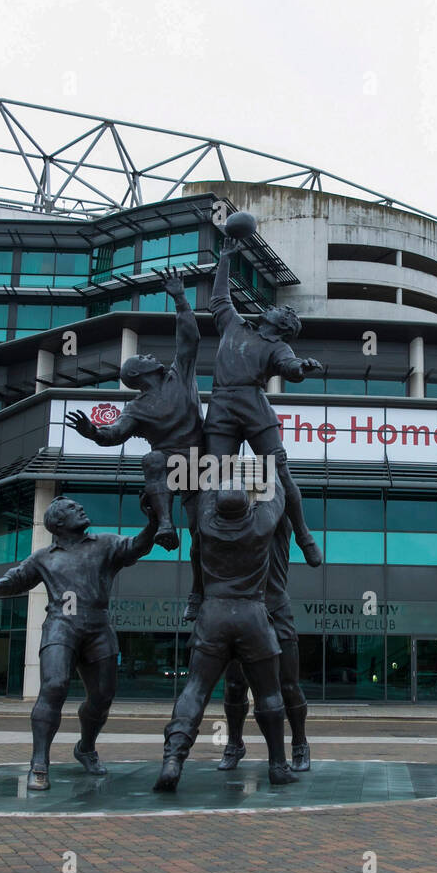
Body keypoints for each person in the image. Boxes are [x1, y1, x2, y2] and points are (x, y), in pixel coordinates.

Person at [0, 494, 156, 791]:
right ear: (57, 522)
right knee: (54, 685)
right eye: (72, 507)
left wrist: (154, 520)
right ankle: (39, 764)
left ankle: (85, 747)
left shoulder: (105, 544)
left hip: (98, 627)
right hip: (61, 626)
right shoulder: (43, 557)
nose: (80, 508)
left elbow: (138, 546)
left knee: (103, 696)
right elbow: (17, 578)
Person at [65, 266, 204, 607]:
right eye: (143, 357)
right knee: (153, 458)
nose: (150, 355)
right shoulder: (136, 408)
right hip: (175, 471)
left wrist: (180, 298)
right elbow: (113, 435)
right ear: (139, 374)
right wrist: (92, 431)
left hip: (205, 461)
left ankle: (200, 587)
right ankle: (166, 525)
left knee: (203, 535)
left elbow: (191, 338)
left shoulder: (179, 376)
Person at [154, 478, 297, 792]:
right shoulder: (261, 524)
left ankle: (173, 758)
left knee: (195, 690)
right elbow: (279, 489)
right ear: (248, 506)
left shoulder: (206, 524)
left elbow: (203, 492)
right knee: (268, 693)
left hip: (214, 615)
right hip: (253, 615)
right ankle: (277, 765)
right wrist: (268, 468)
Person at [206, 235, 325, 567]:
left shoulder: (278, 347)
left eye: (276, 309)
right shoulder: (234, 325)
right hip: (221, 407)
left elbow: (290, 368)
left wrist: (302, 367)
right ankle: (214, 560)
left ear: (282, 325)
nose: (269, 307)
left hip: (253, 407)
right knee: (212, 479)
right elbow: (219, 298)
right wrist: (226, 257)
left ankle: (303, 535)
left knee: (282, 475)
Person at [218, 511, 310, 772]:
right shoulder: (231, 525)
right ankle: (234, 744)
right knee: (235, 683)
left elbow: (283, 488)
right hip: (243, 611)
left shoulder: (277, 520)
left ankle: (300, 744)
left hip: (276, 608)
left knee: (288, 684)